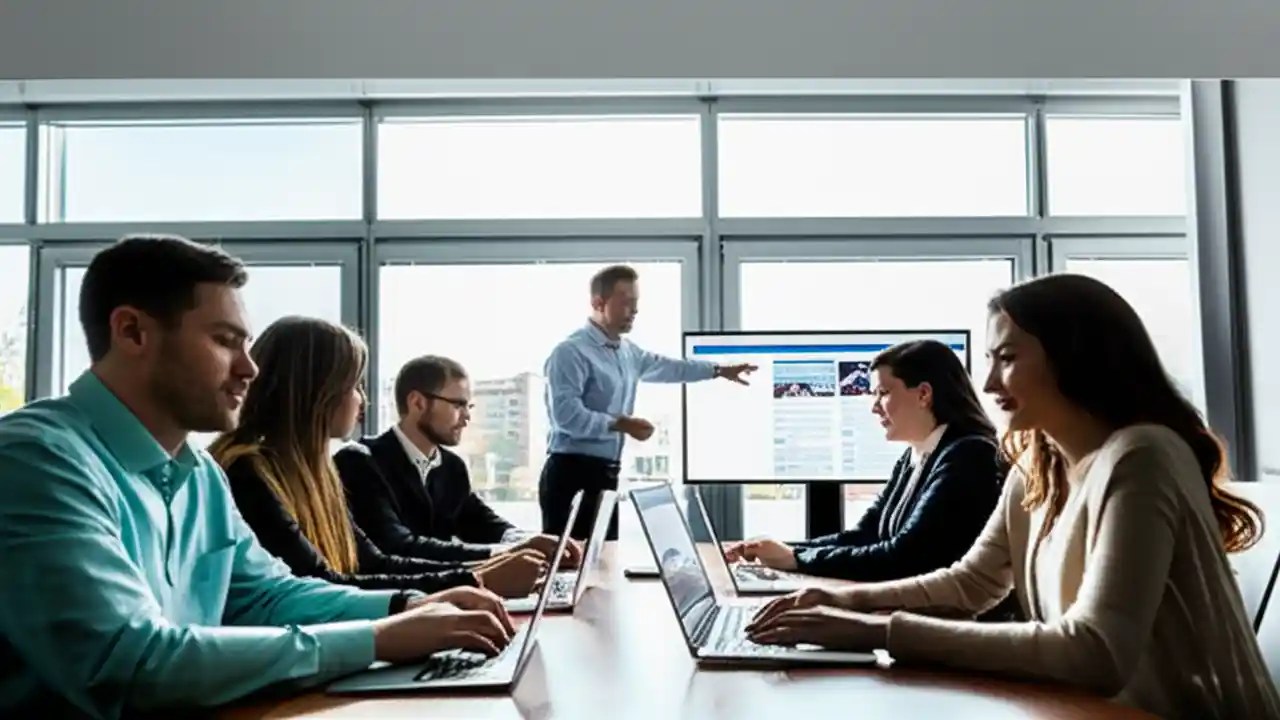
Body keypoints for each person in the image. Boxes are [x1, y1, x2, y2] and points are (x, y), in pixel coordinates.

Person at [0, 235, 514, 718]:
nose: (249, 369)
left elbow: (266, 595)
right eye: (225, 341)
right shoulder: (37, 459)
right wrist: (378, 638)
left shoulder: (199, 472)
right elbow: (129, 663)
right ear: (133, 332)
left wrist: (412, 605)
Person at [746, 274, 1280, 719]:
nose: (989, 380)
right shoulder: (1038, 467)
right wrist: (840, 602)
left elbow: (1096, 652)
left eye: (1007, 358)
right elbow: (972, 583)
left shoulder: (1142, 456)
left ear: (1075, 357)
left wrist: (874, 630)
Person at [210, 316, 548, 599]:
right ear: (318, 391)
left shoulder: (316, 473)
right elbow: (320, 585)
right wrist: (478, 581)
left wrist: (490, 568)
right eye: (354, 385)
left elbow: (372, 562)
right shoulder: (249, 473)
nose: (362, 400)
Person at [724, 339, 1007, 583]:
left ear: (923, 394)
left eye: (883, 393)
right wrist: (786, 550)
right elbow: (866, 535)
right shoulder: (918, 454)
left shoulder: (968, 456)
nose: (874, 407)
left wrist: (796, 559)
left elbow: (904, 556)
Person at [540, 264, 757, 540]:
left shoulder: (628, 352)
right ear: (598, 302)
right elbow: (566, 415)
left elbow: (670, 368)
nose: (635, 311)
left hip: (606, 476)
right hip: (571, 476)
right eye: (626, 303)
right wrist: (622, 424)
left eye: (636, 303)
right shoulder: (570, 352)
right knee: (569, 566)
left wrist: (719, 370)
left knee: (603, 561)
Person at [336, 355, 579, 569]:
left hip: (443, 595)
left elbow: (482, 523)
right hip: (399, 601)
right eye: (458, 405)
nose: (467, 417)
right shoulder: (360, 462)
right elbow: (397, 545)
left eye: (468, 406)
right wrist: (508, 554)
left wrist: (529, 542)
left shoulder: (451, 467)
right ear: (417, 402)